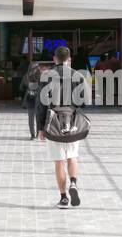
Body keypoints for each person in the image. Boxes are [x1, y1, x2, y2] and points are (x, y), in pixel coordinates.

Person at [36, 46, 86, 208]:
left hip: (53, 122)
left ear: (54, 59)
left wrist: (41, 128)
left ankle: (64, 197)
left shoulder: (46, 76)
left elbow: (41, 104)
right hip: (71, 121)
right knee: (72, 156)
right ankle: (73, 182)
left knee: (59, 161)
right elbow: (83, 102)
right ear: (69, 58)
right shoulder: (77, 76)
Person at [23, 59, 44, 138]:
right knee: (38, 117)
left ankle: (32, 135)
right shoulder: (40, 75)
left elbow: (23, 85)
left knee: (30, 118)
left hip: (30, 97)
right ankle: (38, 134)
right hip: (38, 98)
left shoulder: (26, 76)